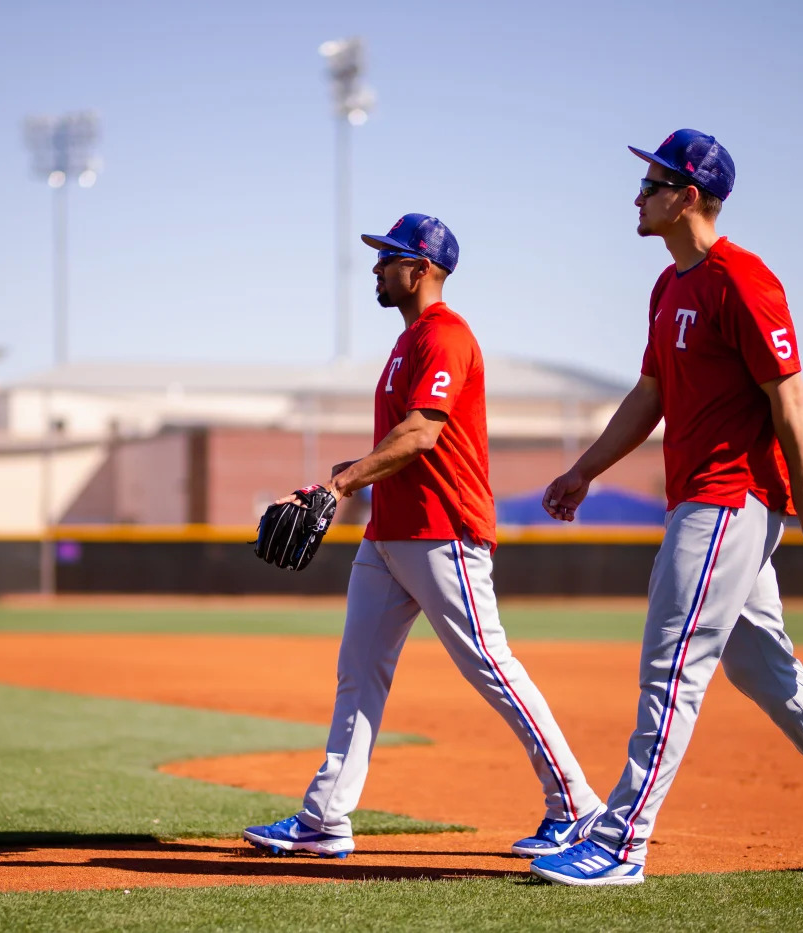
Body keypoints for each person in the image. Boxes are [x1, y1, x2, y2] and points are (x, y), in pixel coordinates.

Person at [528, 131, 803, 886]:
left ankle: (620, 842)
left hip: (728, 497)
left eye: (652, 183)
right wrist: (584, 470)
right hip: (703, 500)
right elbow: (651, 395)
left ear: (690, 196)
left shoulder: (744, 279)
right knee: (767, 670)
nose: (638, 195)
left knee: (672, 665)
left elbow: (789, 395)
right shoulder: (670, 286)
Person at [244, 213, 604, 859]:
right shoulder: (406, 342)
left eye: (389, 257)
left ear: (421, 269)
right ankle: (325, 818)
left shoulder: (446, 337)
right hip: (390, 535)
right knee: (358, 674)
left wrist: (342, 485)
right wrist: (338, 477)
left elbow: (421, 435)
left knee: (493, 668)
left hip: (445, 531)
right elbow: (400, 441)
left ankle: (576, 803)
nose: (378, 268)